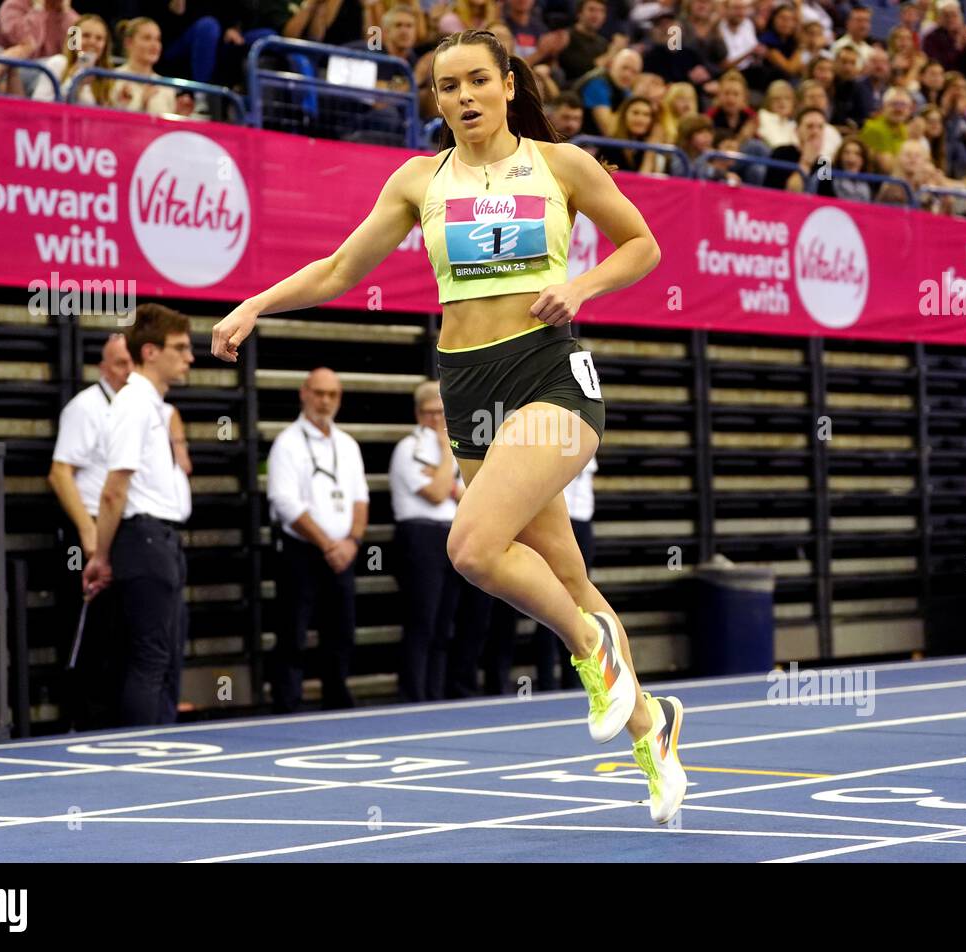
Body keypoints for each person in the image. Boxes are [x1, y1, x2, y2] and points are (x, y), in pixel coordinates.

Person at [210, 28, 687, 824]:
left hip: (548, 374)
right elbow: (337, 270)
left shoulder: (560, 164)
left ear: (507, 84)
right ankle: (652, 729)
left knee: (470, 548)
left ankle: (592, 651)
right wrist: (255, 303)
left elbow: (643, 244)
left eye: (475, 81)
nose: (460, 97)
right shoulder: (416, 181)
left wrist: (585, 286)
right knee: (566, 580)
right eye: (443, 86)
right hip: (468, 389)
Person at [82, 305, 194, 727]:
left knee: (163, 654)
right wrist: (101, 555)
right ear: (150, 351)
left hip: (160, 539)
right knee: (150, 656)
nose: (189, 357)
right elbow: (114, 491)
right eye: (180, 348)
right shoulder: (133, 404)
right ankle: (143, 750)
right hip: (143, 537)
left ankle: (162, 741)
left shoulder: (154, 406)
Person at [266, 369, 370, 712]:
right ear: (304, 393)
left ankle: (336, 698)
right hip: (302, 551)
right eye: (319, 393)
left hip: (343, 551)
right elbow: (285, 502)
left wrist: (352, 541)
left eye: (332, 395)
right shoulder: (288, 443)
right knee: (293, 630)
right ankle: (287, 702)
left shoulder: (348, 445)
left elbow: (360, 498)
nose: (325, 401)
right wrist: (327, 544)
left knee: (341, 631)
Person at [48, 334, 131, 730]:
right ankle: (76, 720)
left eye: (131, 362)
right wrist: (88, 530)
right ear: (102, 367)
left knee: (120, 628)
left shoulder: (137, 408)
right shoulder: (85, 408)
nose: (126, 371)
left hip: (122, 531)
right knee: (85, 627)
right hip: (91, 532)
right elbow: (60, 472)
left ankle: (113, 717)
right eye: (119, 363)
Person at [388, 381, 465, 703]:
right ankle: (414, 695)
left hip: (451, 532)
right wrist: (446, 453)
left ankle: (437, 693)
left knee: (445, 622)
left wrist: (446, 473)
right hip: (420, 535)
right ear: (420, 414)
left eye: (443, 413)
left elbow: (466, 494)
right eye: (432, 413)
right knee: (422, 619)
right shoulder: (410, 448)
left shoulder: (456, 447)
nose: (438, 420)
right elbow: (436, 494)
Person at [532, 454, 595, 690]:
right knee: (551, 603)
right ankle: (547, 679)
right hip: (557, 521)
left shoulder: (585, 432)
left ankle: (576, 677)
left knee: (578, 601)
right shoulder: (550, 431)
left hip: (582, 519)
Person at [32, 12, 112, 104]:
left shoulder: (107, 76)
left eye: (99, 38)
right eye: (86, 35)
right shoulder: (58, 63)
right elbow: (39, 104)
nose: (92, 42)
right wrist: (76, 80)